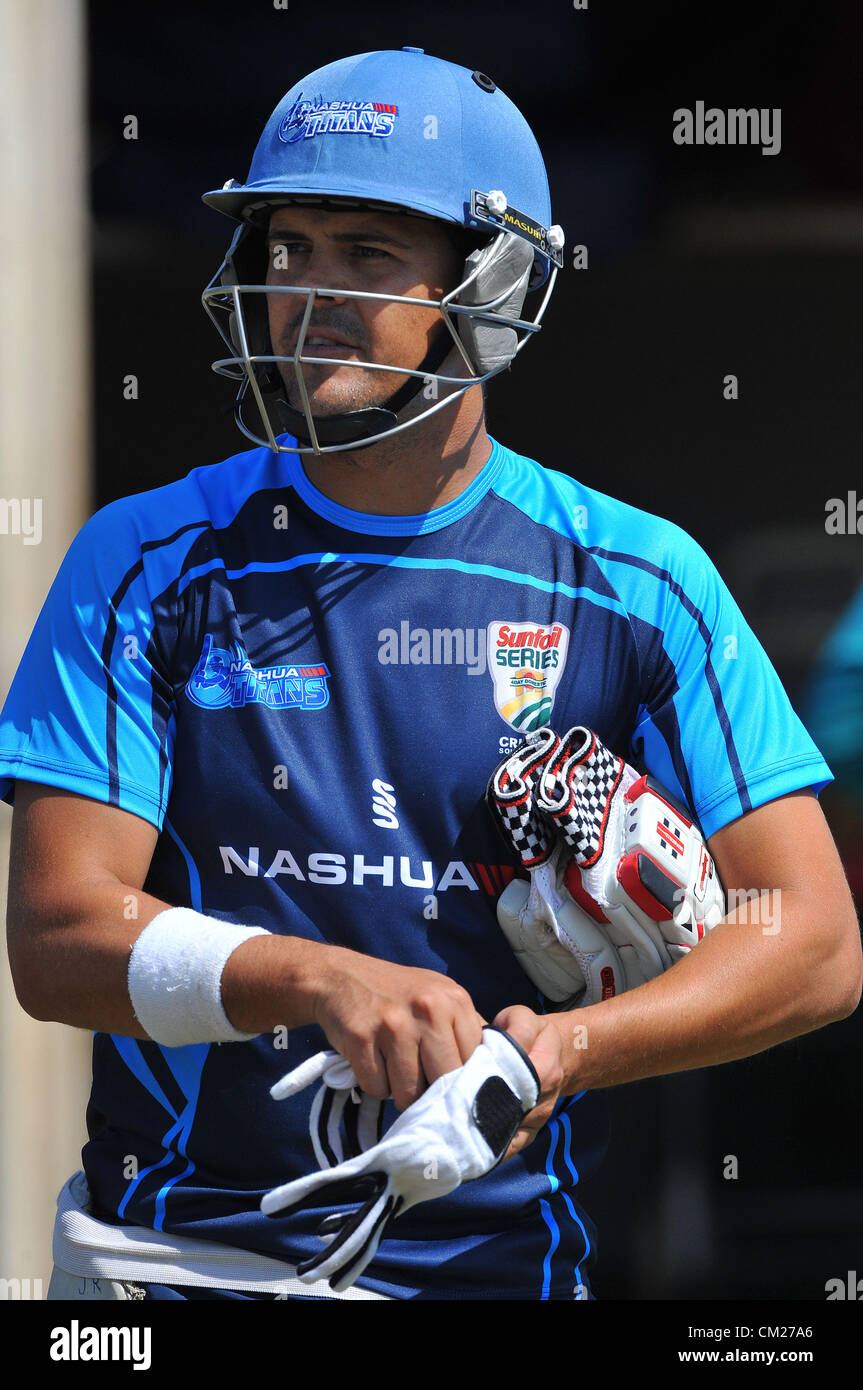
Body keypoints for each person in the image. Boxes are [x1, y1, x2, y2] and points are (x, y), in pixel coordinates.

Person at [2, 47, 860, 1303]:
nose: (309, 293)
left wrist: (560, 1050)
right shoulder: (143, 557)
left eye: (365, 255)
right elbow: (58, 935)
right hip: (164, 1269)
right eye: (287, 250)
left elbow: (816, 944)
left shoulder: (639, 581)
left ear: (490, 285)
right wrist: (316, 977)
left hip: (503, 1274)